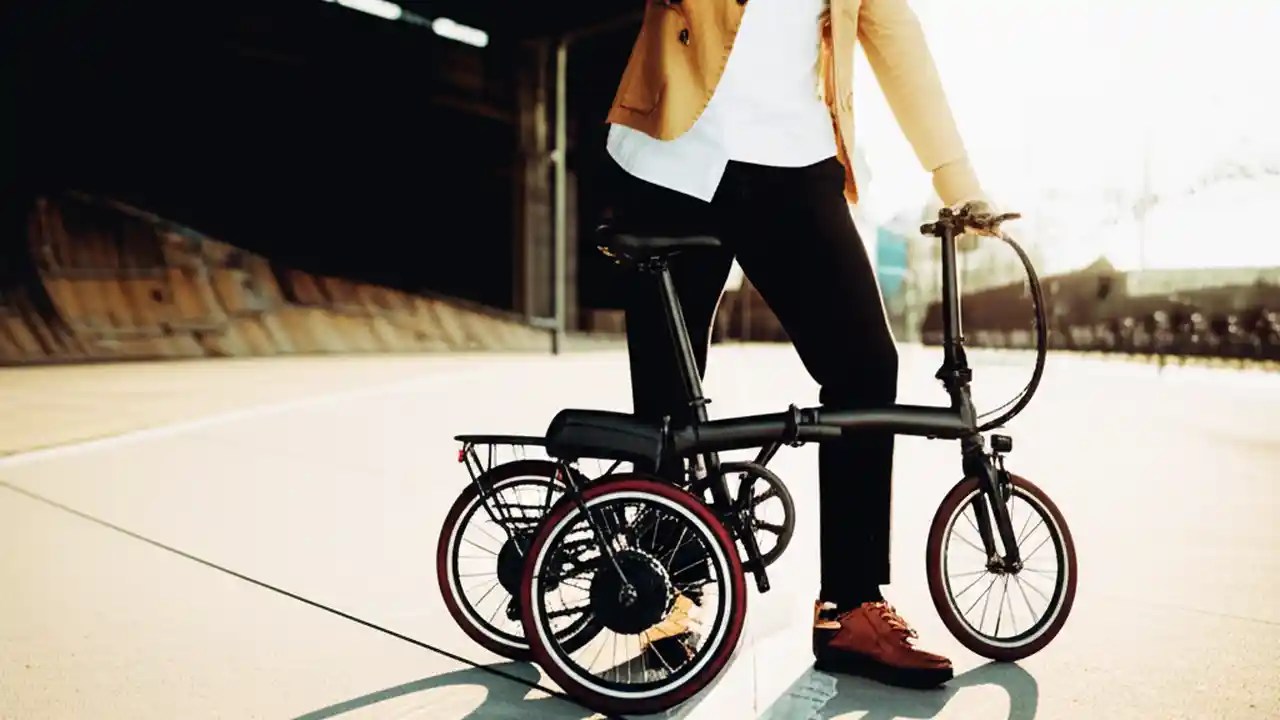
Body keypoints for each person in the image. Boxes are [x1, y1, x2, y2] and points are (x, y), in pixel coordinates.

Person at [602, 0, 1005, 689]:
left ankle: (851, 606)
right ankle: (668, 586)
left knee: (865, 366)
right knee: (670, 389)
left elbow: (894, 36)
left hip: (794, 161)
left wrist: (956, 177)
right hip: (672, 153)